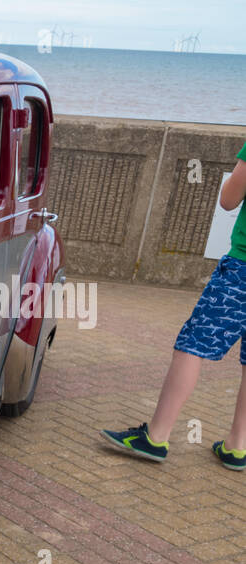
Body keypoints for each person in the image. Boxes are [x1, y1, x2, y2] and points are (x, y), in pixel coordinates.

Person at [102, 141, 246, 470]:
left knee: (192, 345)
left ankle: (155, 437)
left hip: (244, 269)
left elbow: (228, 199)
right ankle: (237, 446)